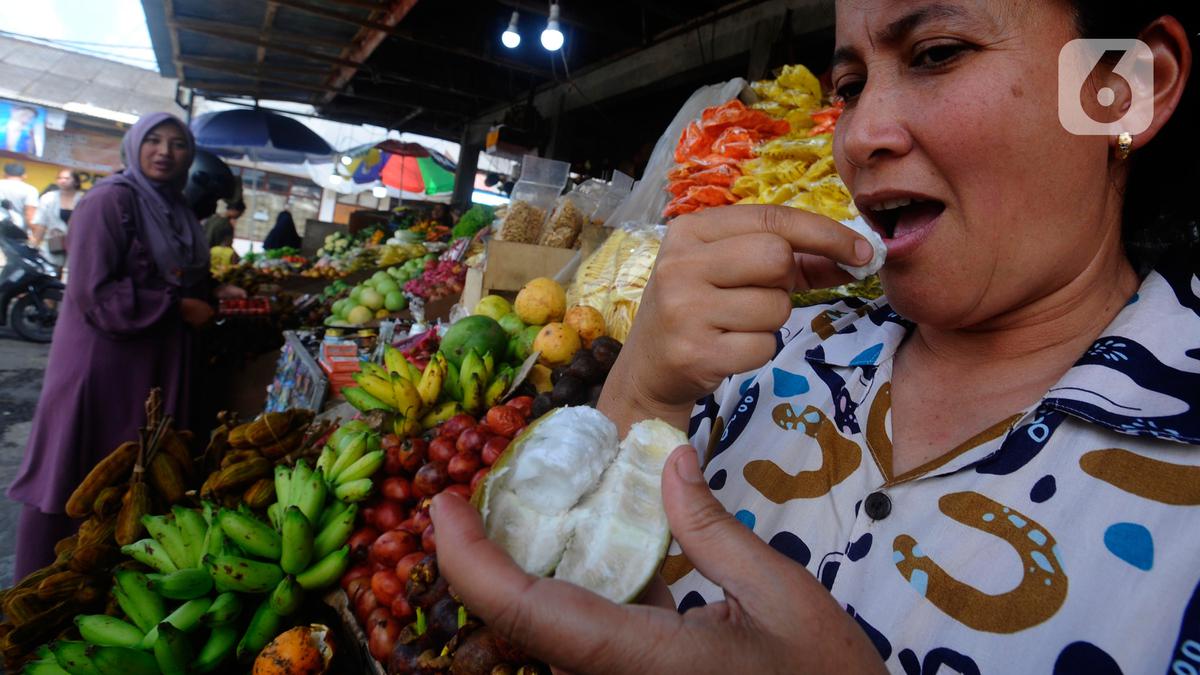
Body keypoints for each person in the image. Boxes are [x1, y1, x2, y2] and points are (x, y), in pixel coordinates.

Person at [430, 2, 1200, 673]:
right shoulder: (772, 354)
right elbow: (574, 594)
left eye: (937, 54)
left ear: (1121, 87)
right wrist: (643, 385)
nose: (859, 134)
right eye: (851, 86)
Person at [6, 112, 231, 579]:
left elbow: (182, 275)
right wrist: (177, 307)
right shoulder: (110, 202)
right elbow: (94, 290)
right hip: (103, 364)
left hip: (154, 361)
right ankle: (51, 588)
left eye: (178, 144)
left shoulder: (176, 208)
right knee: (88, 471)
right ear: (134, 145)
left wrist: (212, 294)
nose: (165, 152)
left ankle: (110, 585)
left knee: (138, 477)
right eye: (154, 140)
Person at [31, 169, 85, 267]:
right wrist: (34, 244)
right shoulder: (48, 198)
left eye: (67, 178)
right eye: (59, 178)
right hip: (53, 242)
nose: (62, 181)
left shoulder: (84, 199)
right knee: (50, 271)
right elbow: (41, 223)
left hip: (76, 244)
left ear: (76, 181)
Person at [0, 162, 39, 233]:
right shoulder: (30, 190)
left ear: (4, 174)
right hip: (16, 231)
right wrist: (36, 233)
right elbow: (29, 216)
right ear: (24, 176)